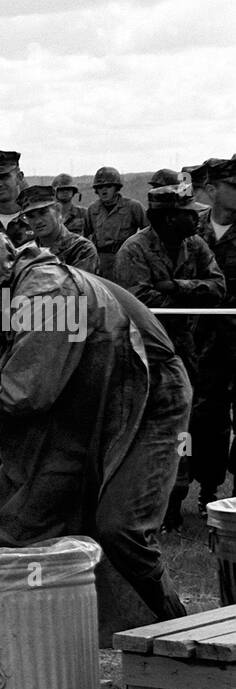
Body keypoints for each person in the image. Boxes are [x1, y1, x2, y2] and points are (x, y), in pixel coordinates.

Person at [0, 231, 192, 622]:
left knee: (121, 529)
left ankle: (179, 631)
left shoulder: (46, 293)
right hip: (90, 399)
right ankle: (15, 638)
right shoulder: (16, 292)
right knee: (13, 519)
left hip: (149, 398)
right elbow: (5, 380)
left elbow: (24, 394)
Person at [115, 182, 225, 528]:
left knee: (186, 429)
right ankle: (153, 502)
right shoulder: (134, 250)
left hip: (188, 353)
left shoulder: (195, 245)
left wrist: (177, 287)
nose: (196, 218)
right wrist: (192, 297)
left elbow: (218, 288)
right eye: (186, 213)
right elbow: (142, 303)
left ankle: (181, 494)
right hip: (146, 356)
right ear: (165, 218)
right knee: (151, 429)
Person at [191, 157, 236, 506]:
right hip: (200, 342)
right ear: (210, 190)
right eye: (232, 187)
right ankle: (207, 489)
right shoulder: (192, 229)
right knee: (205, 419)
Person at [15, 185, 98, 272]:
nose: (37, 221)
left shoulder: (81, 249)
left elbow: (78, 284)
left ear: (58, 210)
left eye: (43, 213)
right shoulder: (25, 254)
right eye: (31, 216)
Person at [87, 165, 148, 279]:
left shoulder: (133, 207)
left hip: (127, 259)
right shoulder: (92, 209)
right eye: (100, 187)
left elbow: (148, 233)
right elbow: (84, 238)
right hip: (101, 262)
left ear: (116, 188)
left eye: (108, 186)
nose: (104, 190)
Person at [52, 173, 89, 237]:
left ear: (73, 192)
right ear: (55, 192)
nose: (65, 192)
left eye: (68, 189)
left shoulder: (84, 213)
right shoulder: (49, 214)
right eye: (61, 189)